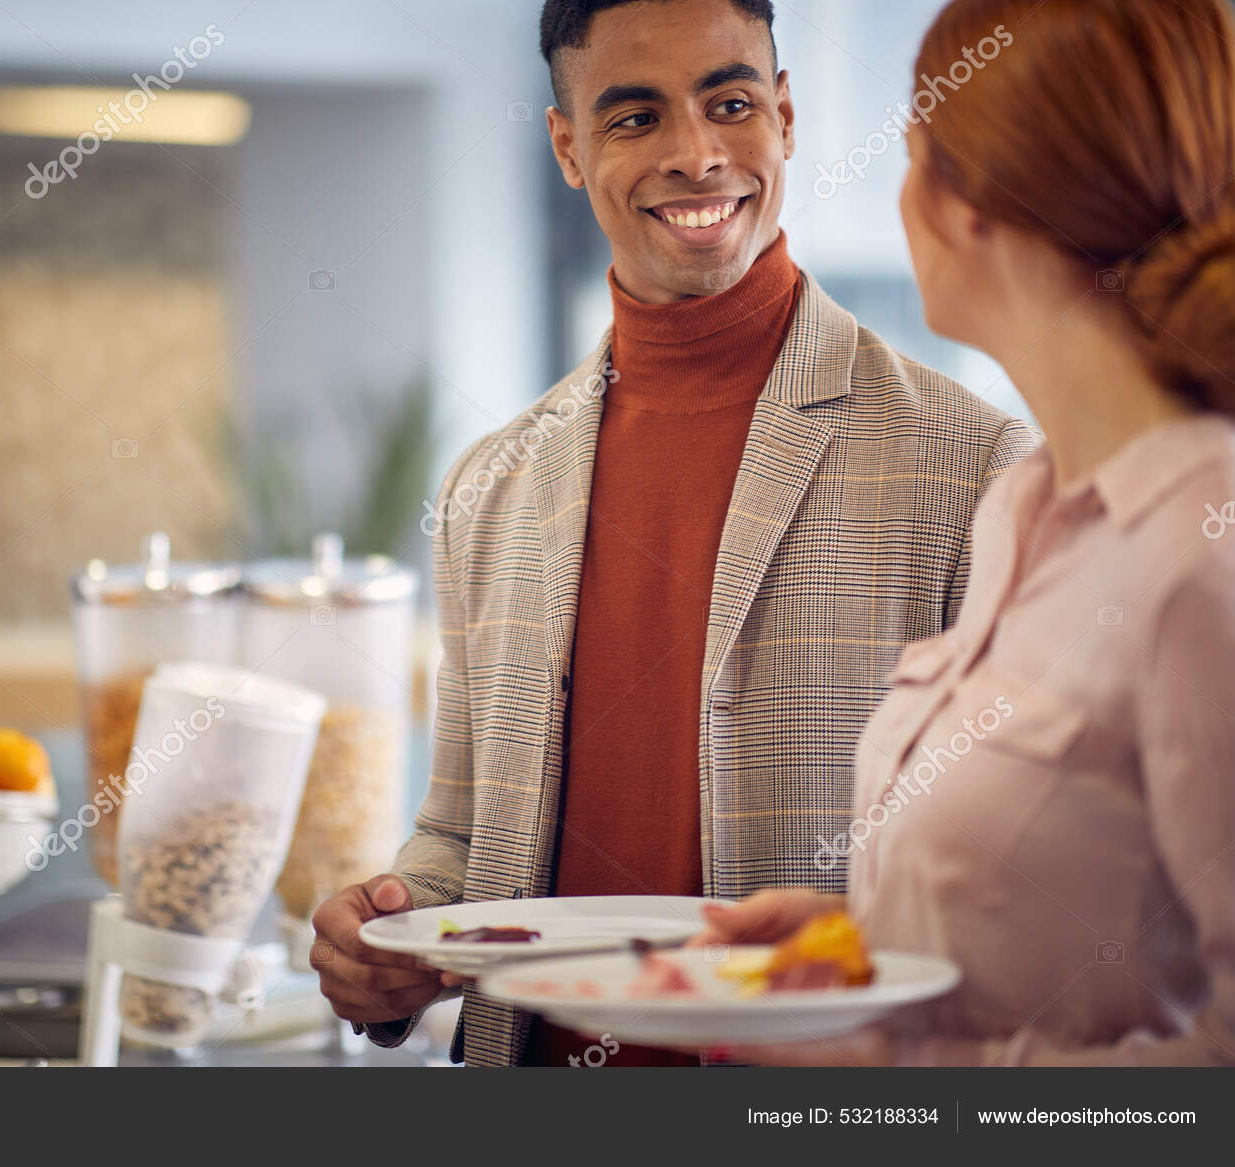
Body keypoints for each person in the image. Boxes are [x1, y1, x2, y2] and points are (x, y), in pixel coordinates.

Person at [312, 0, 1038, 1067]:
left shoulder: (974, 463)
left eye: (730, 104)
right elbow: (467, 838)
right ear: (569, 147)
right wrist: (387, 931)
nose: (697, 156)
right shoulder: (490, 487)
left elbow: (1017, 869)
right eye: (634, 118)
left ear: (784, 115)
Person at [702, 0, 1235, 1066]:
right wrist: (874, 954)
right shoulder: (1021, 511)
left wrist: (905, 1066)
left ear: (974, 205)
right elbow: (1094, 906)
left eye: (913, 157)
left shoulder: (1198, 555)